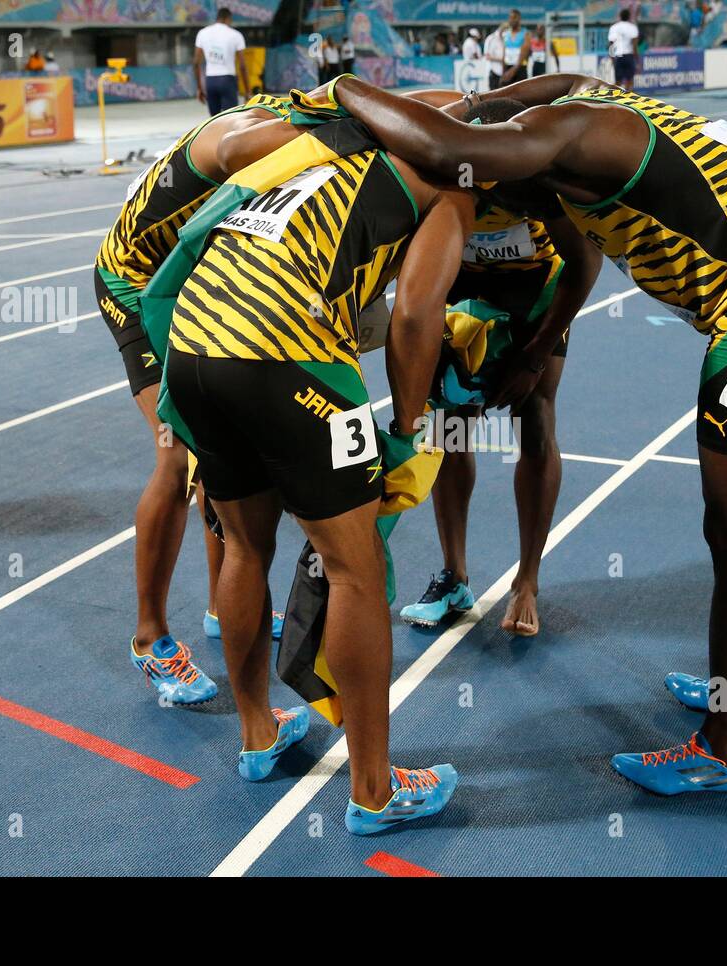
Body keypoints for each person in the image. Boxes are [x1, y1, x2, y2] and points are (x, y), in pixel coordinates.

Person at [319, 72, 727, 794]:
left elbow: (448, 142)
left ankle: (721, 750)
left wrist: (342, 91)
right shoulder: (599, 103)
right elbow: (524, 98)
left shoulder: (572, 132)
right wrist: (477, 109)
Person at [160, 115, 477, 833]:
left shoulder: (325, 159)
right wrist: (405, 431)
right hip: (283, 352)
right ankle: (373, 789)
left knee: (243, 547)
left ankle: (257, 736)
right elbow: (414, 320)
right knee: (355, 569)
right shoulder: (452, 187)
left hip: (194, 345)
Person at [94, 93, 293, 705]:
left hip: (183, 281)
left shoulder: (271, 128)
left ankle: (218, 604)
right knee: (178, 455)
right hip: (131, 285)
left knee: (221, 440)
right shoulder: (235, 140)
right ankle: (149, 638)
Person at [395, 93, 602, 637]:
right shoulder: (432, 177)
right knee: (449, 428)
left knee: (533, 421)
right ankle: (454, 577)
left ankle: (527, 580)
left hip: (535, 292)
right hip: (460, 288)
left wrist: (534, 357)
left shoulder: (529, 178)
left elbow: (583, 263)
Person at [194, 7, 248, 116]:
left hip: (210, 81)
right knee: (231, 118)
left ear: (217, 18)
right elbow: (242, 66)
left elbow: (196, 63)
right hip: (228, 80)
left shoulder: (202, 33)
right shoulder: (236, 35)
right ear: (228, 19)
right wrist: (247, 90)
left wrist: (199, 88)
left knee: (214, 121)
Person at [608, 10, 639, 92]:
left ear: (620, 16)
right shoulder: (632, 27)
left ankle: (616, 100)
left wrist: (611, 58)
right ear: (629, 17)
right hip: (629, 56)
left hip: (618, 56)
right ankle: (629, 99)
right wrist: (638, 61)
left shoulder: (614, 27)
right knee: (630, 81)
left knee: (618, 81)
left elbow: (611, 44)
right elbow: (634, 46)